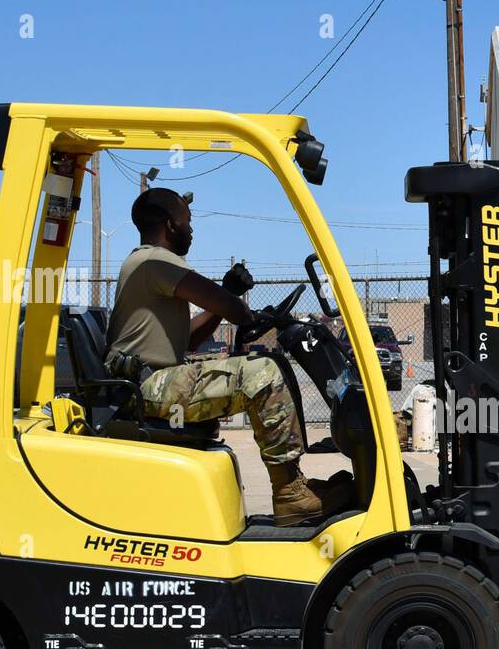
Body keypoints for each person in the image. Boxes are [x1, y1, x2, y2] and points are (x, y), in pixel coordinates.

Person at [104, 187, 348, 527]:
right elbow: (233, 309)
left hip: (152, 382)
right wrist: (235, 301)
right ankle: (290, 493)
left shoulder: (146, 265)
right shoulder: (155, 261)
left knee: (266, 367)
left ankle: (294, 482)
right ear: (170, 224)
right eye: (187, 222)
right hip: (148, 389)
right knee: (263, 374)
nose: (191, 229)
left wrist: (230, 297)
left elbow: (190, 337)